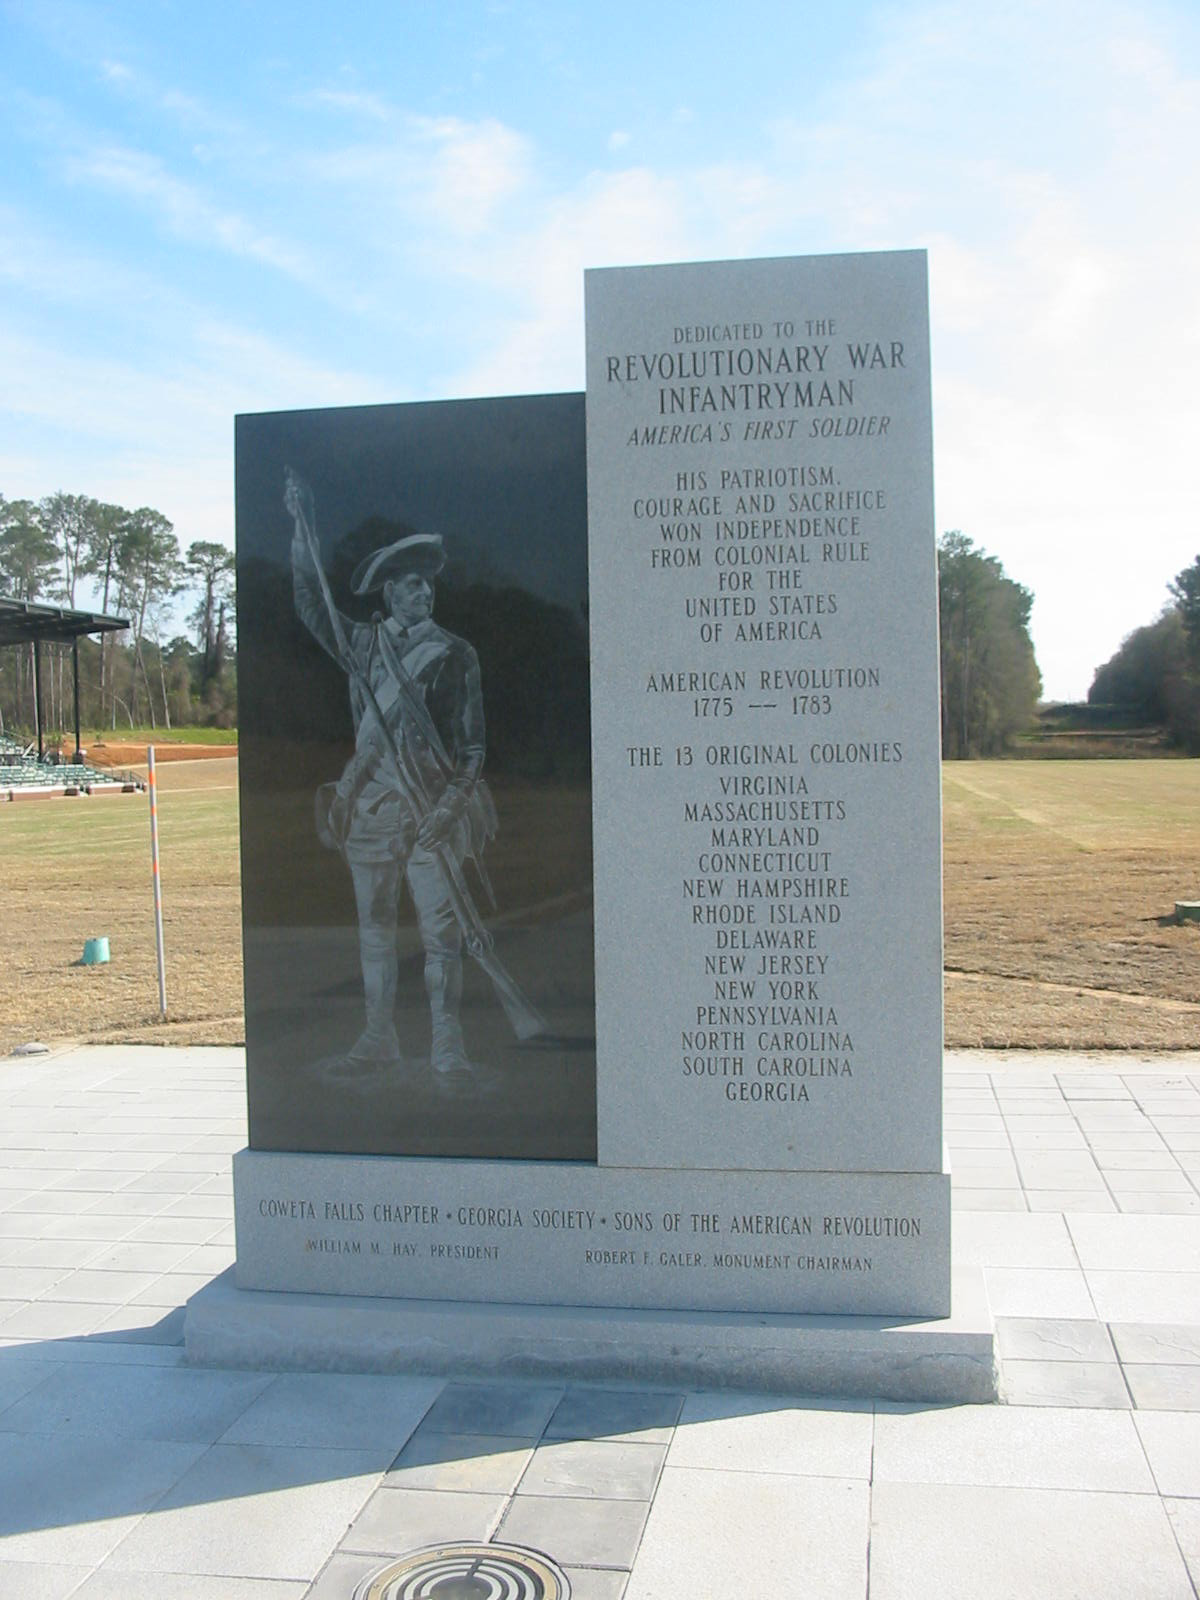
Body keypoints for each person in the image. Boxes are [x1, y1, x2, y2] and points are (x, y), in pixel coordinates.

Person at [290, 504, 498, 1084]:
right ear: (390, 591)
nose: (425, 592)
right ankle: (379, 1037)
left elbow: (472, 749)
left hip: (430, 812)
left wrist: (452, 807)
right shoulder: (363, 645)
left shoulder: (455, 654)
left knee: (440, 939)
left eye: (428, 583)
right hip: (373, 812)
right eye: (412, 584)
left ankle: (447, 1049)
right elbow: (311, 606)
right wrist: (298, 531)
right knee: (375, 931)